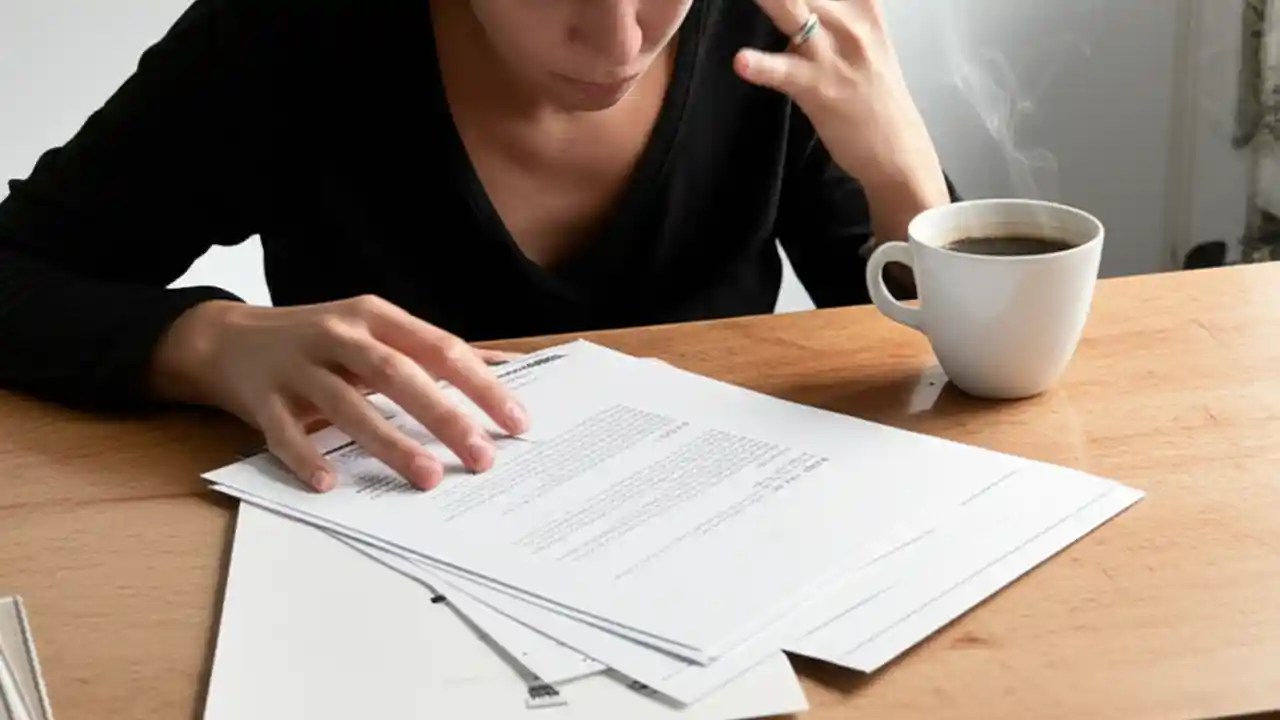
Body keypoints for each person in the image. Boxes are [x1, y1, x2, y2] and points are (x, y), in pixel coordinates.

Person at [0, 0, 954, 492]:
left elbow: (958, 372)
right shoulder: (291, 33)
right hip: (376, 575)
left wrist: (903, 174)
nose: (617, 39)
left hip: (734, 564)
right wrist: (207, 345)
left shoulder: (773, 32)